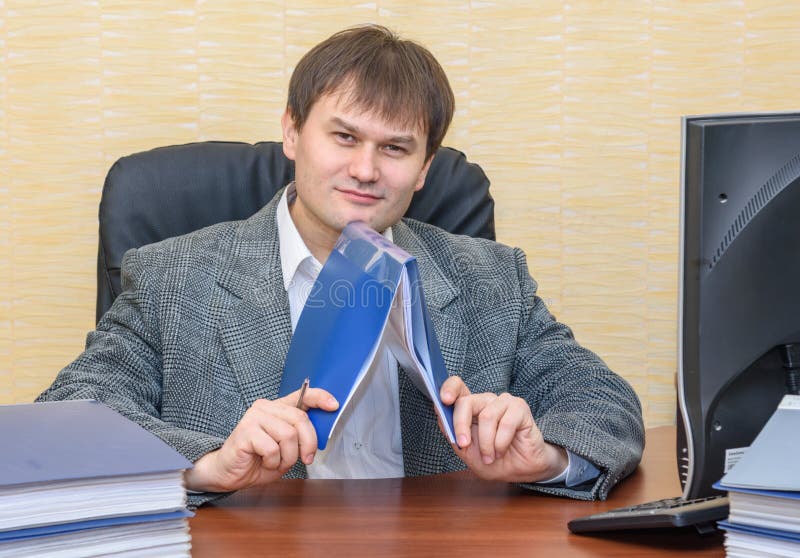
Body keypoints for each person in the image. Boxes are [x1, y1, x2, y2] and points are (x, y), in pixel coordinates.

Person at [38, 24, 644, 506]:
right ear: (293, 132)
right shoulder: (173, 277)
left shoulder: (490, 278)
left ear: (426, 168)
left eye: (395, 148)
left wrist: (548, 456)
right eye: (345, 138)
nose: (365, 170)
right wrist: (209, 464)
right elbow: (72, 418)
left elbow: (606, 404)